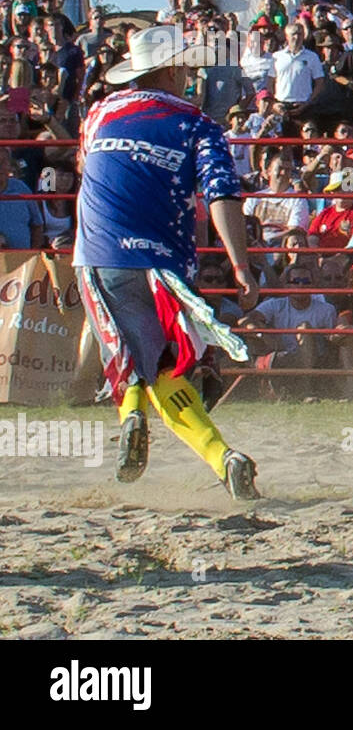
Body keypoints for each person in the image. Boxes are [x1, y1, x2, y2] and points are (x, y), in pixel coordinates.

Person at [73, 26, 261, 499]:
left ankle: (132, 411)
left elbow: (85, 166)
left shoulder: (100, 113)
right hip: (163, 262)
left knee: (125, 350)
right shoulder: (199, 126)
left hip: (100, 252)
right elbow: (222, 193)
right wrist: (240, 265)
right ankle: (223, 457)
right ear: (175, 70)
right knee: (169, 364)